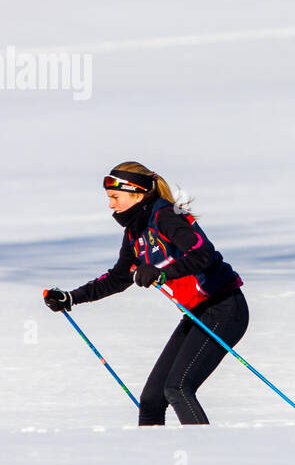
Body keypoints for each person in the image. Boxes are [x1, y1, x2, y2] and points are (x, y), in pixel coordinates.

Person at [43, 162, 248, 426]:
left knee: (178, 388)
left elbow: (203, 254)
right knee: (151, 401)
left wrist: (163, 273)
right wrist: (71, 297)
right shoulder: (134, 231)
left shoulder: (166, 216)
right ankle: (150, 461)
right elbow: (118, 278)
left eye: (115, 197)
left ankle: (204, 459)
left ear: (137, 194)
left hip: (225, 308)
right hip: (198, 312)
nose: (111, 205)